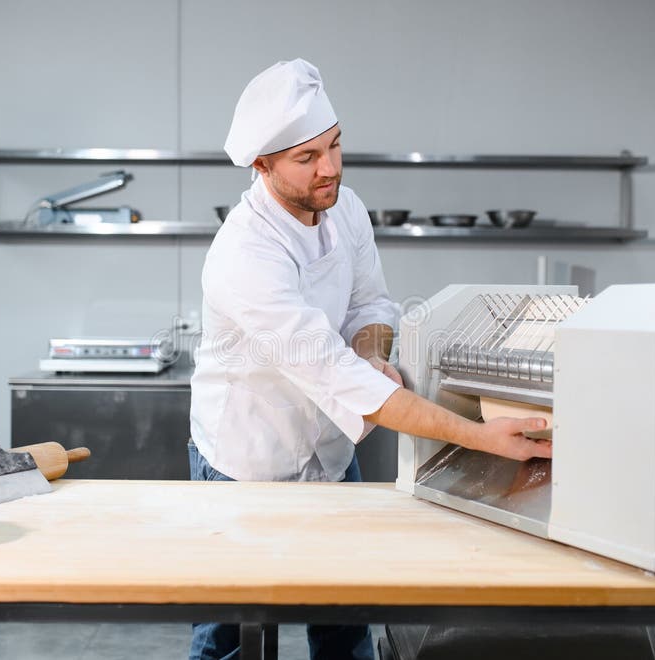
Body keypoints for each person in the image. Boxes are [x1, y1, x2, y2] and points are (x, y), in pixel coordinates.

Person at [188, 58, 551, 660]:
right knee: (233, 636)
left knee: (344, 618)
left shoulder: (346, 208)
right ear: (263, 165)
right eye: (306, 158)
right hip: (246, 458)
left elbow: (369, 305)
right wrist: (484, 438)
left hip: (330, 453)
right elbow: (333, 374)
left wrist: (370, 354)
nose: (328, 168)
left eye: (334, 146)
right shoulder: (245, 255)